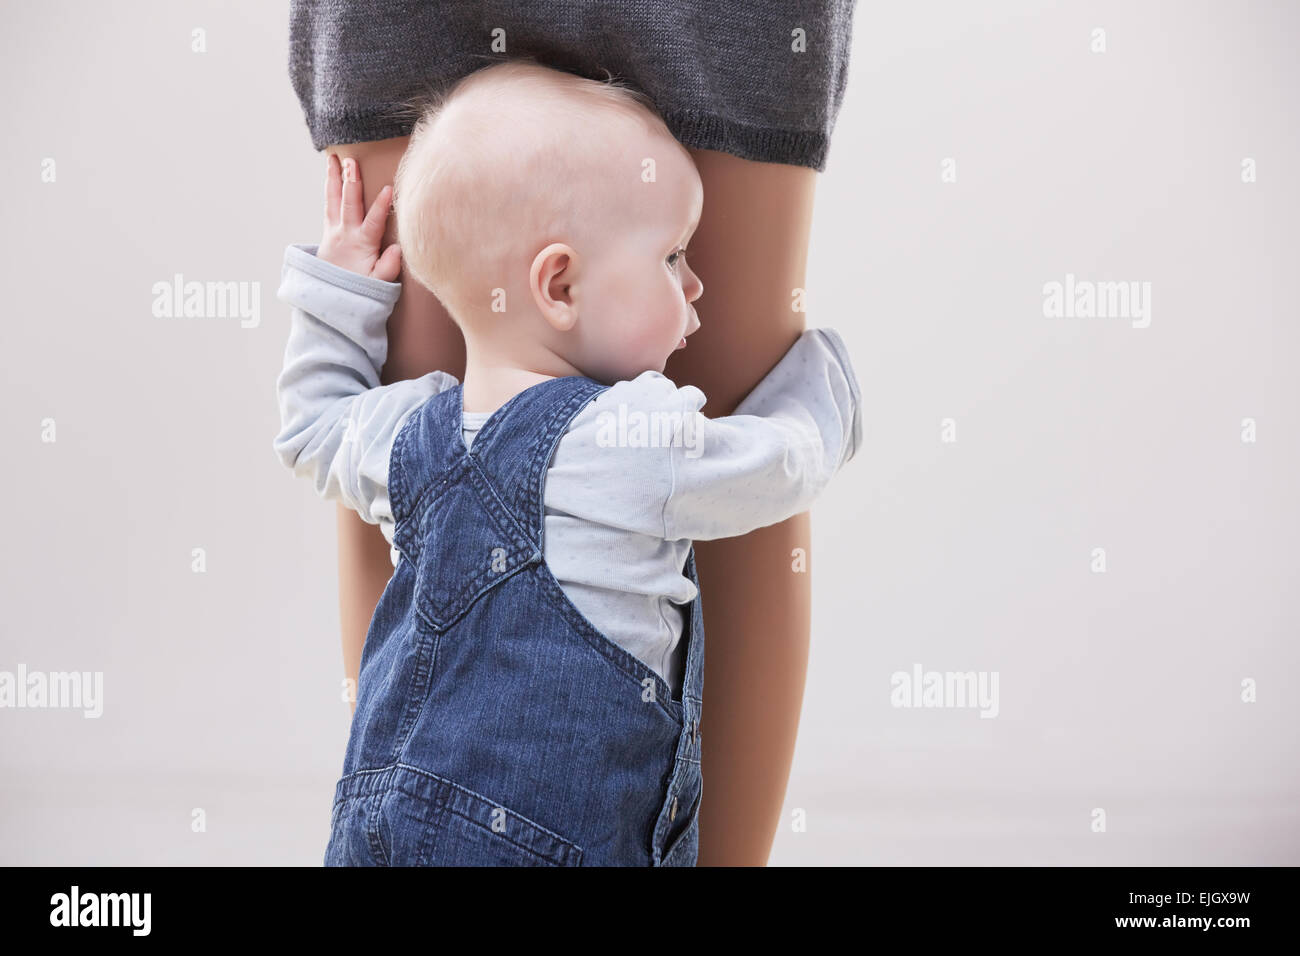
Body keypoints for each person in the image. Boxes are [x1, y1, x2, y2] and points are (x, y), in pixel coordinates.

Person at [288, 1, 859, 865]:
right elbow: (777, 465)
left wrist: (341, 293)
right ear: (558, 286)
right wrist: (829, 389)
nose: (695, 285)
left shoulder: (403, 431)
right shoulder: (642, 449)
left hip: (388, 834)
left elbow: (309, 428)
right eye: (673, 258)